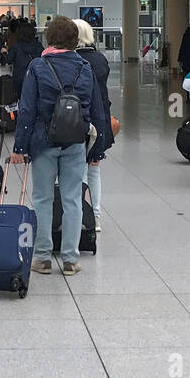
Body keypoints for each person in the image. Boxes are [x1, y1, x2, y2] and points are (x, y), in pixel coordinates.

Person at [11, 17, 103, 277]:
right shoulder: (85, 67)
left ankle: (42, 257)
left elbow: (27, 108)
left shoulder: (38, 66)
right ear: (75, 40)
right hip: (76, 140)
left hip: (43, 142)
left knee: (42, 198)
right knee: (73, 199)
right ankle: (71, 259)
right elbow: (97, 109)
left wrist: (20, 146)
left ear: (48, 38)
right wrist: (98, 149)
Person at [74, 18, 113, 230]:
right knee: (94, 170)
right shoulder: (99, 59)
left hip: (74, 121)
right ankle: (95, 216)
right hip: (99, 121)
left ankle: (79, 215)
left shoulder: (70, 60)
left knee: (76, 171)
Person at [6, 19, 43, 100]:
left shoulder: (16, 46)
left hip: (19, 77)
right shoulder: (39, 46)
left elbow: (8, 60)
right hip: (35, 76)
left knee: (20, 99)